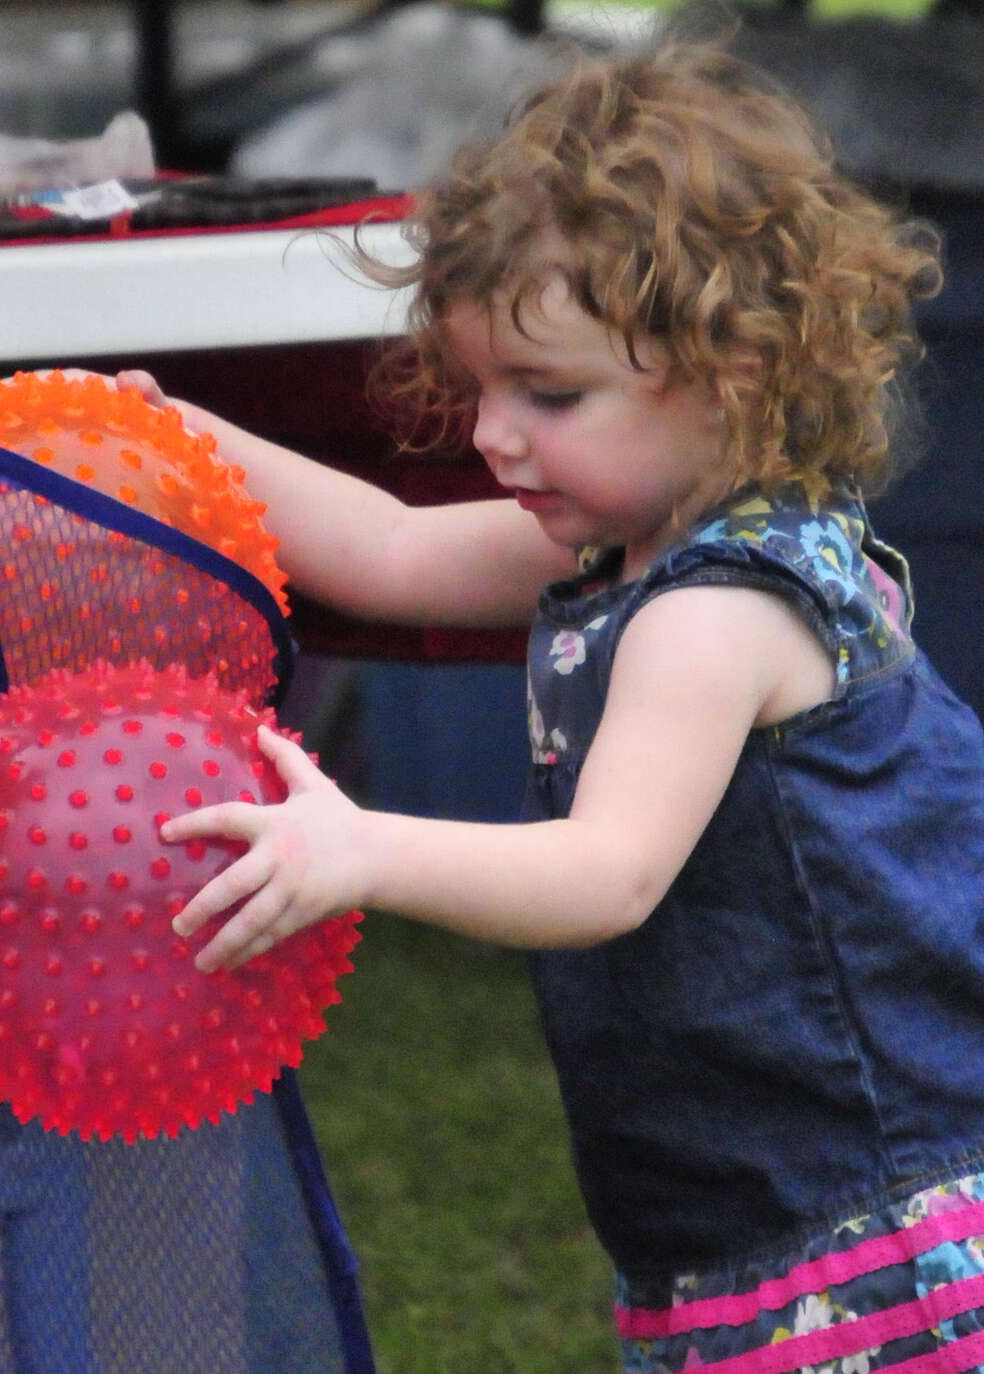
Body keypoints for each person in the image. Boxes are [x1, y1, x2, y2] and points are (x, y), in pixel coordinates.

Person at [123, 35, 984, 1373]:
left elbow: (608, 871)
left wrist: (363, 847)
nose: (492, 435)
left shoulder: (714, 614)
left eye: (550, 394)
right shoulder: (642, 543)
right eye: (481, 386)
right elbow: (391, 549)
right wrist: (178, 437)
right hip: (741, 1202)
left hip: (863, 1236)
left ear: (731, 373)